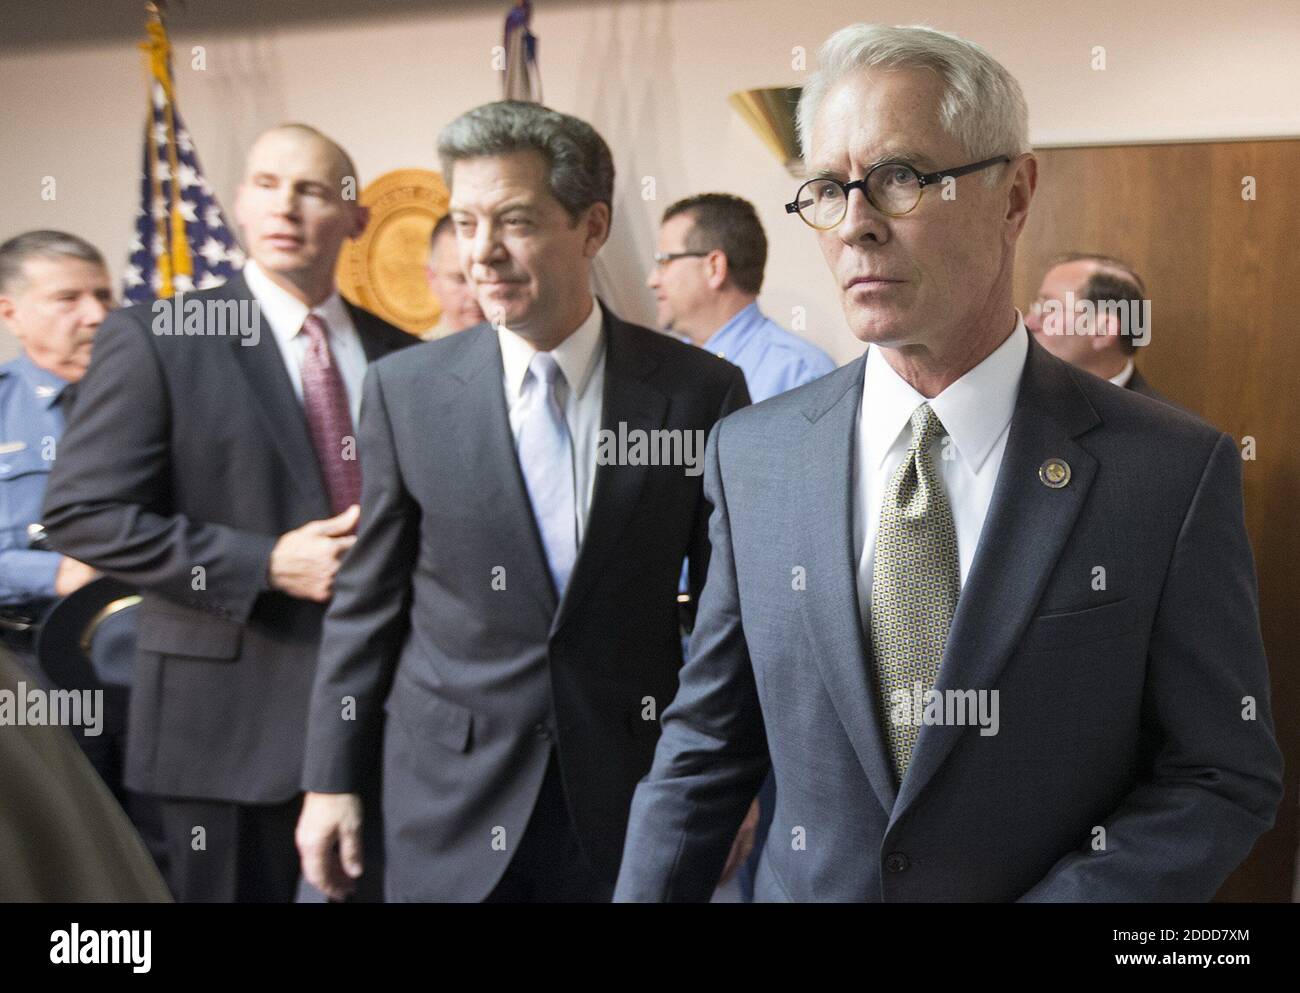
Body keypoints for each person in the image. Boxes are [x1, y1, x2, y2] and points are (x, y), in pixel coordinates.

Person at [615, 23, 1282, 902]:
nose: (855, 225)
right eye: (826, 187)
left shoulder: (1166, 469)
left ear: (1013, 196)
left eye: (899, 178)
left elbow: (1220, 773)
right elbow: (705, 746)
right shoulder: (755, 454)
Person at [296, 100, 750, 903]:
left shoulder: (698, 391)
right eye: (465, 222)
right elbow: (367, 604)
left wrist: (735, 778)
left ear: (592, 224)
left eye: (515, 221)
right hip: (445, 801)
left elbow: (732, 614)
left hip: (627, 801)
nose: (483, 253)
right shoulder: (407, 391)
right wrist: (329, 779)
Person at [42, 124, 415, 902]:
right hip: (223, 729)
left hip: (394, 718)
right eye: (269, 184)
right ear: (240, 205)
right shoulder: (157, 339)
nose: (287, 205)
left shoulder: (407, 356)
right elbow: (84, 512)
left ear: (355, 219)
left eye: (313, 189)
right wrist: (264, 561)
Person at [649, 192, 836, 899]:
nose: (652, 276)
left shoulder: (798, 374)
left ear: (714, 264)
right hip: (677, 655)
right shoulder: (666, 376)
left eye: (667, 258)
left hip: (756, 664)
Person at [0, 231, 108, 668]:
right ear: (11, 313)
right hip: (22, 656)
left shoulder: (162, 403)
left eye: (103, 295)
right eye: (69, 298)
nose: (98, 314)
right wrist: (56, 574)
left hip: (146, 641)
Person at [1026, 253, 1163, 399]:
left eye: (1049, 309)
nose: (1028, 322)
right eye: (1035, 307)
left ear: (1103, 330)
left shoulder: (1156, 421)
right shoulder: (1012, 393)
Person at [422, 214, 485, 339]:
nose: (474, 293)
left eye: (484, 279)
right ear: (432, 278)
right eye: (460, 280)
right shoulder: (416, 357)